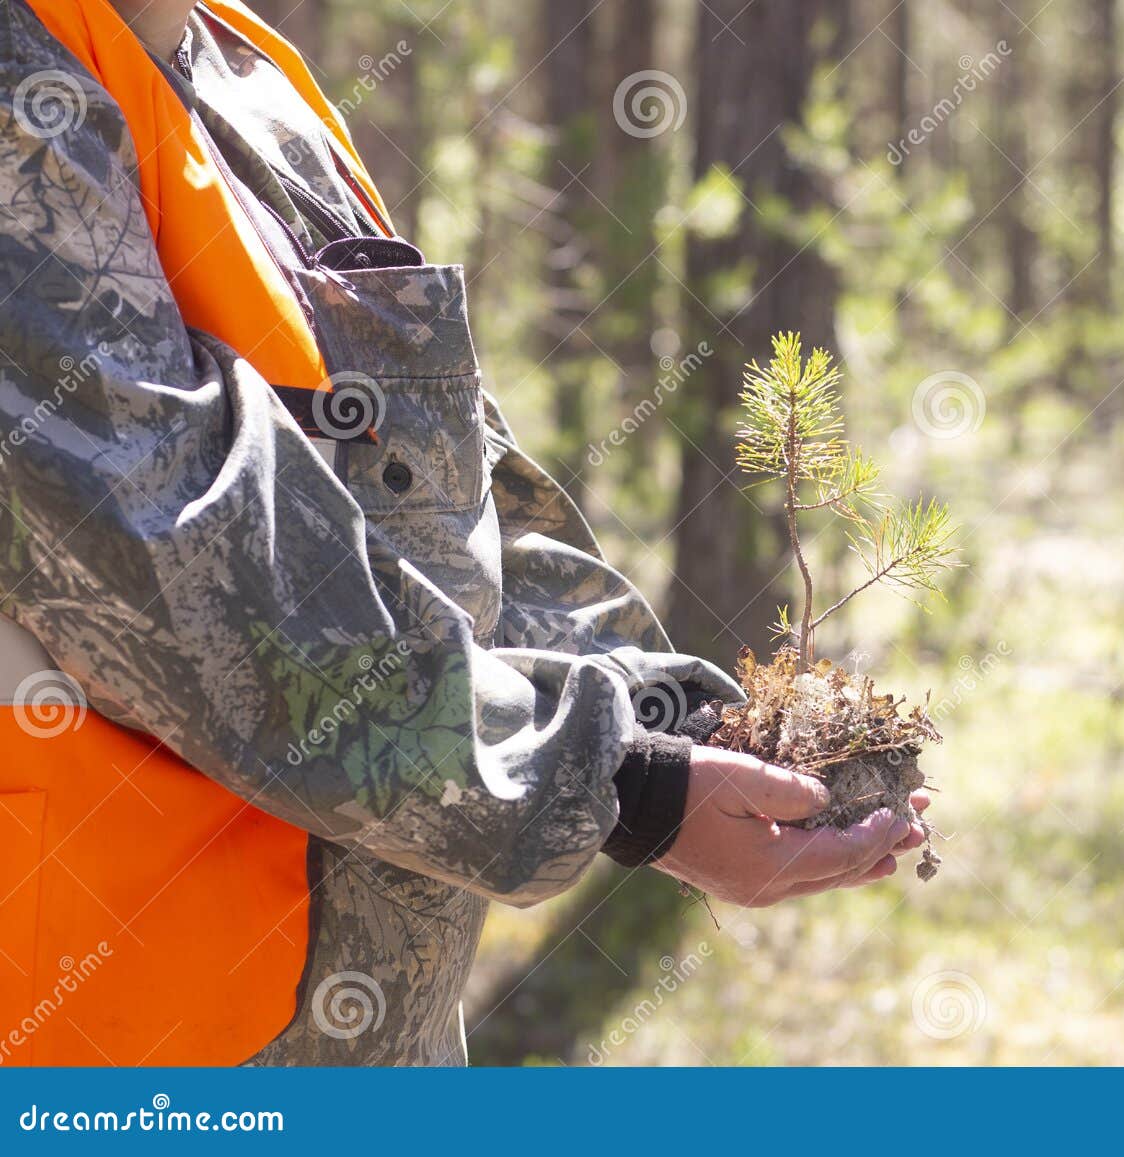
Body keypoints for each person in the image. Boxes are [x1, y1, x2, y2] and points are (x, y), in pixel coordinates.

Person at [0, 0, 928, 1066]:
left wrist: (686, 721)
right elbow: (188, 559)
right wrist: (628, 785)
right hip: (109, 1039)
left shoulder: (249, 74)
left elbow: (455, 500)